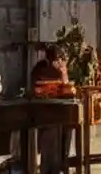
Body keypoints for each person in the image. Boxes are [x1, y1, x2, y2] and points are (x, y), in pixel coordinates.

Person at [31, 45, 71, 174]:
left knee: (66, 129)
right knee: (51, 134)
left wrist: (63, 73)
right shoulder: (41, 68)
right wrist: (61, 73)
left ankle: (61, 166)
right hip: (45, 111)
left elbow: (66, 88)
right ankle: (52, 168)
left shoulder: (59, 69)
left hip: (59, 109)